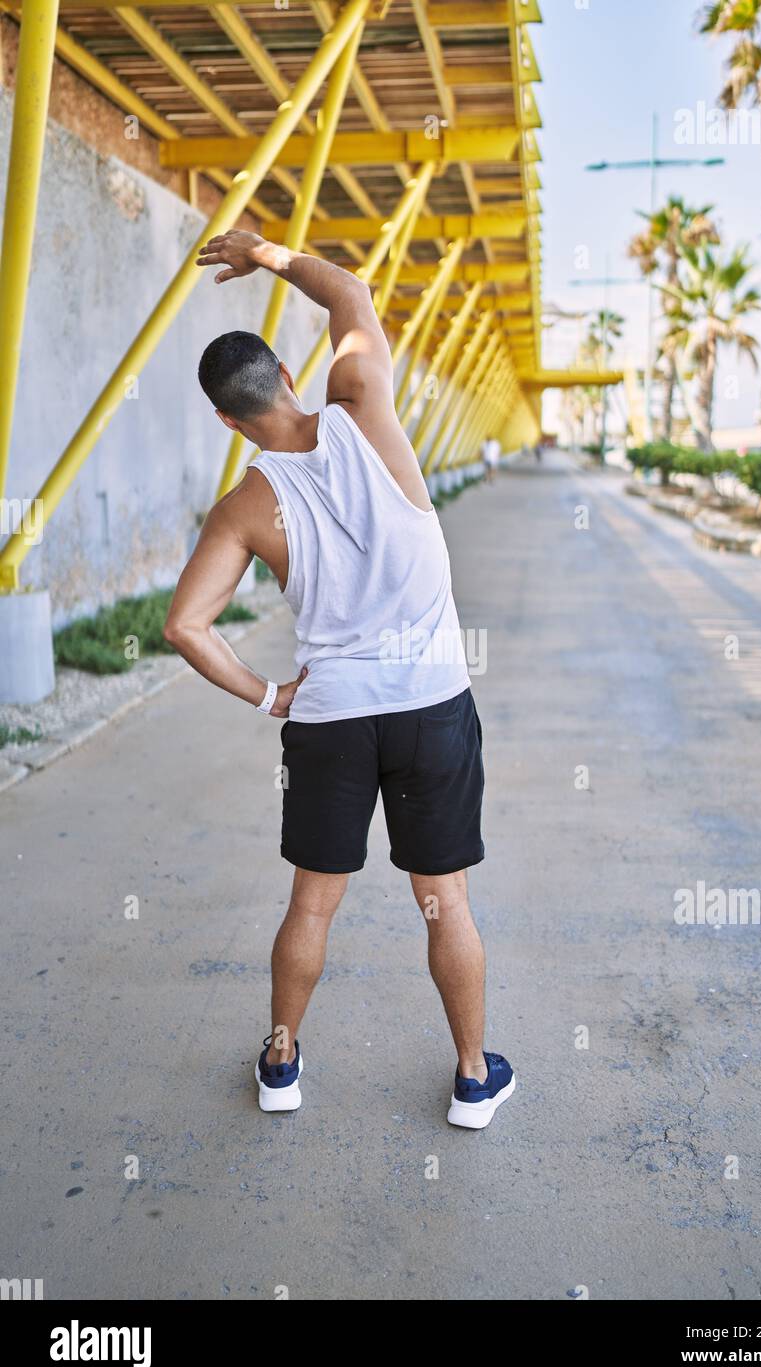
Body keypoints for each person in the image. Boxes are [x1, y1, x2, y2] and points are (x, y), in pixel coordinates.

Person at [163, 229, 515, 1130]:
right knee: (445, 905)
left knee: (311, 902)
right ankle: (473, 1077)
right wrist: (267, 255)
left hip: (329, 719)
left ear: (225, 420)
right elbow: (351, 297)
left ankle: (281, 1061)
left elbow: (185, 628)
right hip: (432, 704)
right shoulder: (362, 409)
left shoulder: (243, 508)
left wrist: (270, 695)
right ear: (287, 371)